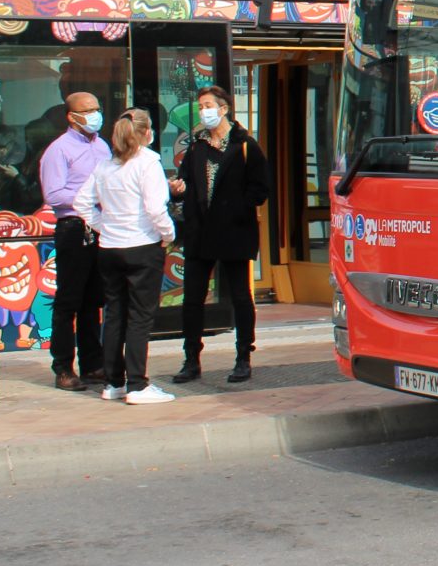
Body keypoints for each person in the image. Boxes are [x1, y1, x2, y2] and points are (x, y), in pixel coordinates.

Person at [168, 85, 271, 384]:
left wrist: (236, 208)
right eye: (201, 106)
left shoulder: (245, 146)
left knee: (240, 296)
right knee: (192, 299)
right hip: (200, 233)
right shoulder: (197, 147)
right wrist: (179, 190)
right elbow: (186, 182)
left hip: (234, 232)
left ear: (224, 109)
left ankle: (243, 357)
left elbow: (260, 189)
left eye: (208, 105)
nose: (204, 112)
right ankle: (191, 359)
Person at [76, 106, 176, 406]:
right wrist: (168, 235)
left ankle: (113, 382)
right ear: (146, 133)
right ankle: (137, 384)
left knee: (115, 314)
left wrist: (103, 226)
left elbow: (82, 203)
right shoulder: (148, 163)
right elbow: (156, 209)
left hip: (110, 248)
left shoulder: (106, 166)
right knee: (140, 317)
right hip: (142, 246)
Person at [37, 90, 108, 390]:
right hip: (73, 227)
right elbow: (53, 194)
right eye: (87, 110)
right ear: (72, 116)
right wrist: (89, 199)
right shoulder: (59, 149)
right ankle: (63, 367)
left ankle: (93, 364)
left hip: (100, 227)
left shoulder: (102, 146)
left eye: (96, 108)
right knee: (69, 301)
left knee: (93, 300)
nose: (94, 114)